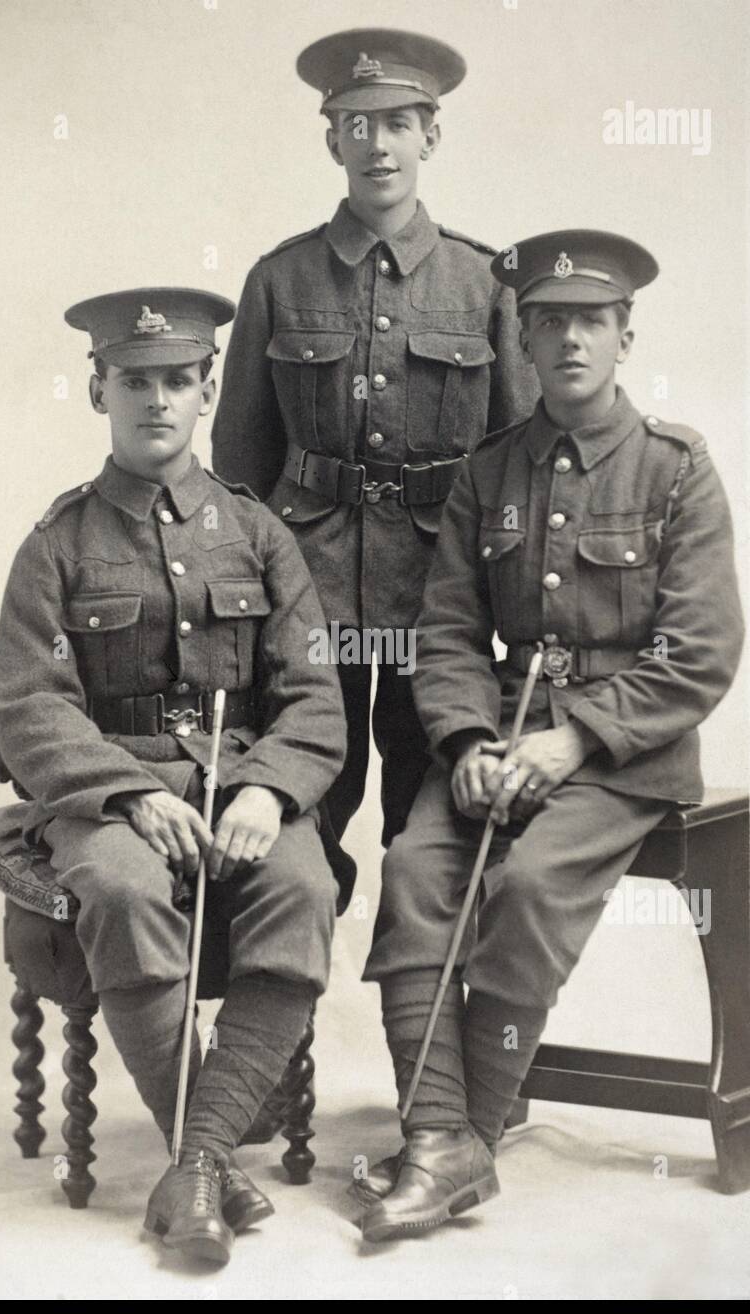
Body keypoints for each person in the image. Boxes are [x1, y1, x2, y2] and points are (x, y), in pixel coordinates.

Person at [353, 230, 745, 1241]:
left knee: (525, 888)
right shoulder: (489, 471)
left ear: (623, 334)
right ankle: (443, 1141)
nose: (569, 338)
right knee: (409, 869)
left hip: (625, 753)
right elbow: (443, 631)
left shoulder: (674, 468)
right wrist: (465, 741)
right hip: (500, 735)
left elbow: (701, 650)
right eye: (548, 321)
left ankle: (457, 1133)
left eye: (589, 320)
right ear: (520, 339)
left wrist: (572, 742)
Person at [0, 288, 349, 1267]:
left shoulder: (259, 534)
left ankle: (190, 1166)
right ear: (97, 389)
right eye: (134, 382)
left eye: (177, 382)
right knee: (117, 883)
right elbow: (28, 704)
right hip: (111, 791)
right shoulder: (56, 543)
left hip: (239, 782)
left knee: (303, 882)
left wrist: (267, 792)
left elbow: (314, 694)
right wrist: (133, 793)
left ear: (204, 392)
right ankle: (212, 1166)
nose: (157, 400)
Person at [211, 27, 536, 851]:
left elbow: (517, 460)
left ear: (431, 134)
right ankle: (287, 982)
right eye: (358, 125)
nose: (378, 144)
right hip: (307, 596)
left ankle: (427, 983)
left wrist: (495, 594)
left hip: (439, 601)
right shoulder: (279, 279)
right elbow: (240, 460)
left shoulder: (485, 283)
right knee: (291, 820)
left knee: (436, 822)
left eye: (397, 123)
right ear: (332, 141)